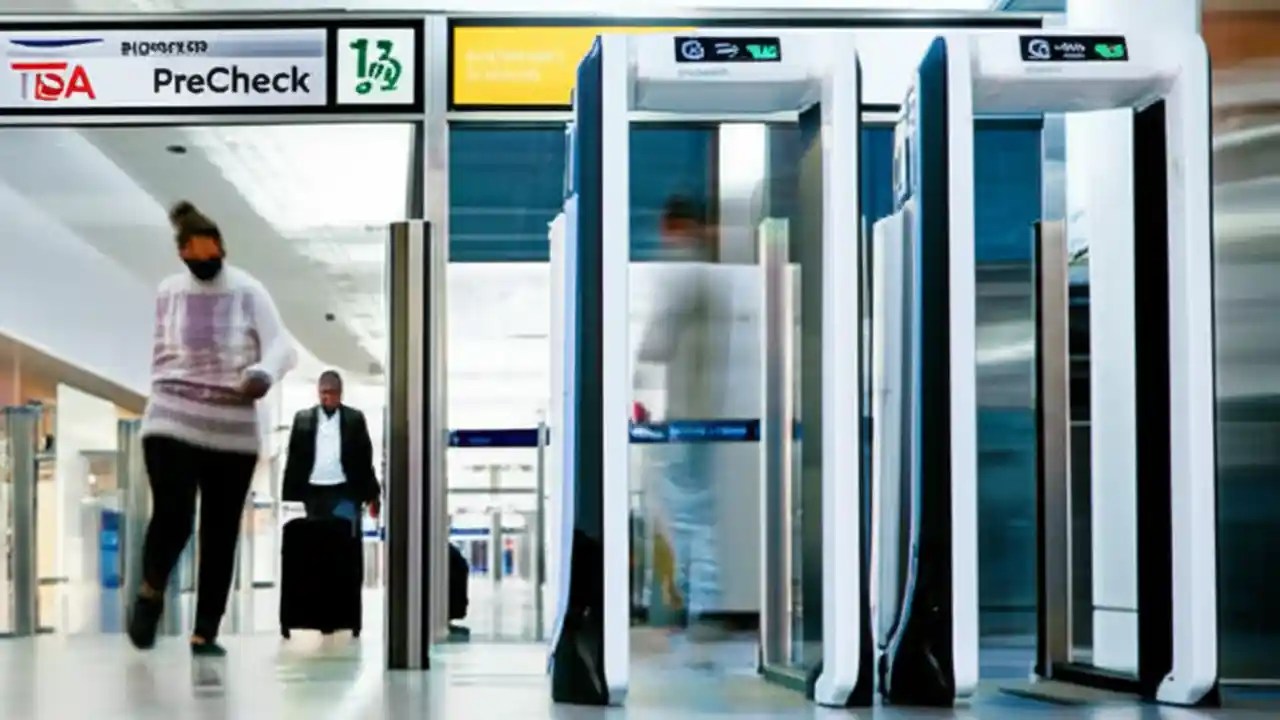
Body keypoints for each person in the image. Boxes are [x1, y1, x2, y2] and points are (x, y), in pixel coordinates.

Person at [129, 201, 297, 657]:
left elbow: (283, 345)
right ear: (183, 255)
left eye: (212, 255)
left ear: (222, 250)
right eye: (196, 257)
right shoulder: (168, 291)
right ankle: (150, 590)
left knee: (220, 531)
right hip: (171, 414)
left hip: (232, 426)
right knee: (175, 512)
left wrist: (262, 372)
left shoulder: (248, 290)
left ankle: (206, 630)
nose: (206, 264)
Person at [632, 194, 725, 644]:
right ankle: (699, 602)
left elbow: (655, 342)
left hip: (688, 415)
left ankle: (699, 604)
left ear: (673, 225)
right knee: (697, 511)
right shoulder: (711, 272)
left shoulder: (684, 269)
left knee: (687, 511)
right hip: (706, 413)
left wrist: (630, 374)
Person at [281, 370, 381, 529]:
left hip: (345, 490)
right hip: (313, 490)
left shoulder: (354, 419)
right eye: (323, 392)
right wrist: (289, 495)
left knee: (347, 534)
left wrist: (372, 494)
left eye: (331, 392)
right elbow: (294, 457)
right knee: (317, 539)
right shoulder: (303, 419)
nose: (326, 397)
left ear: (340, 393)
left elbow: (364, 457)